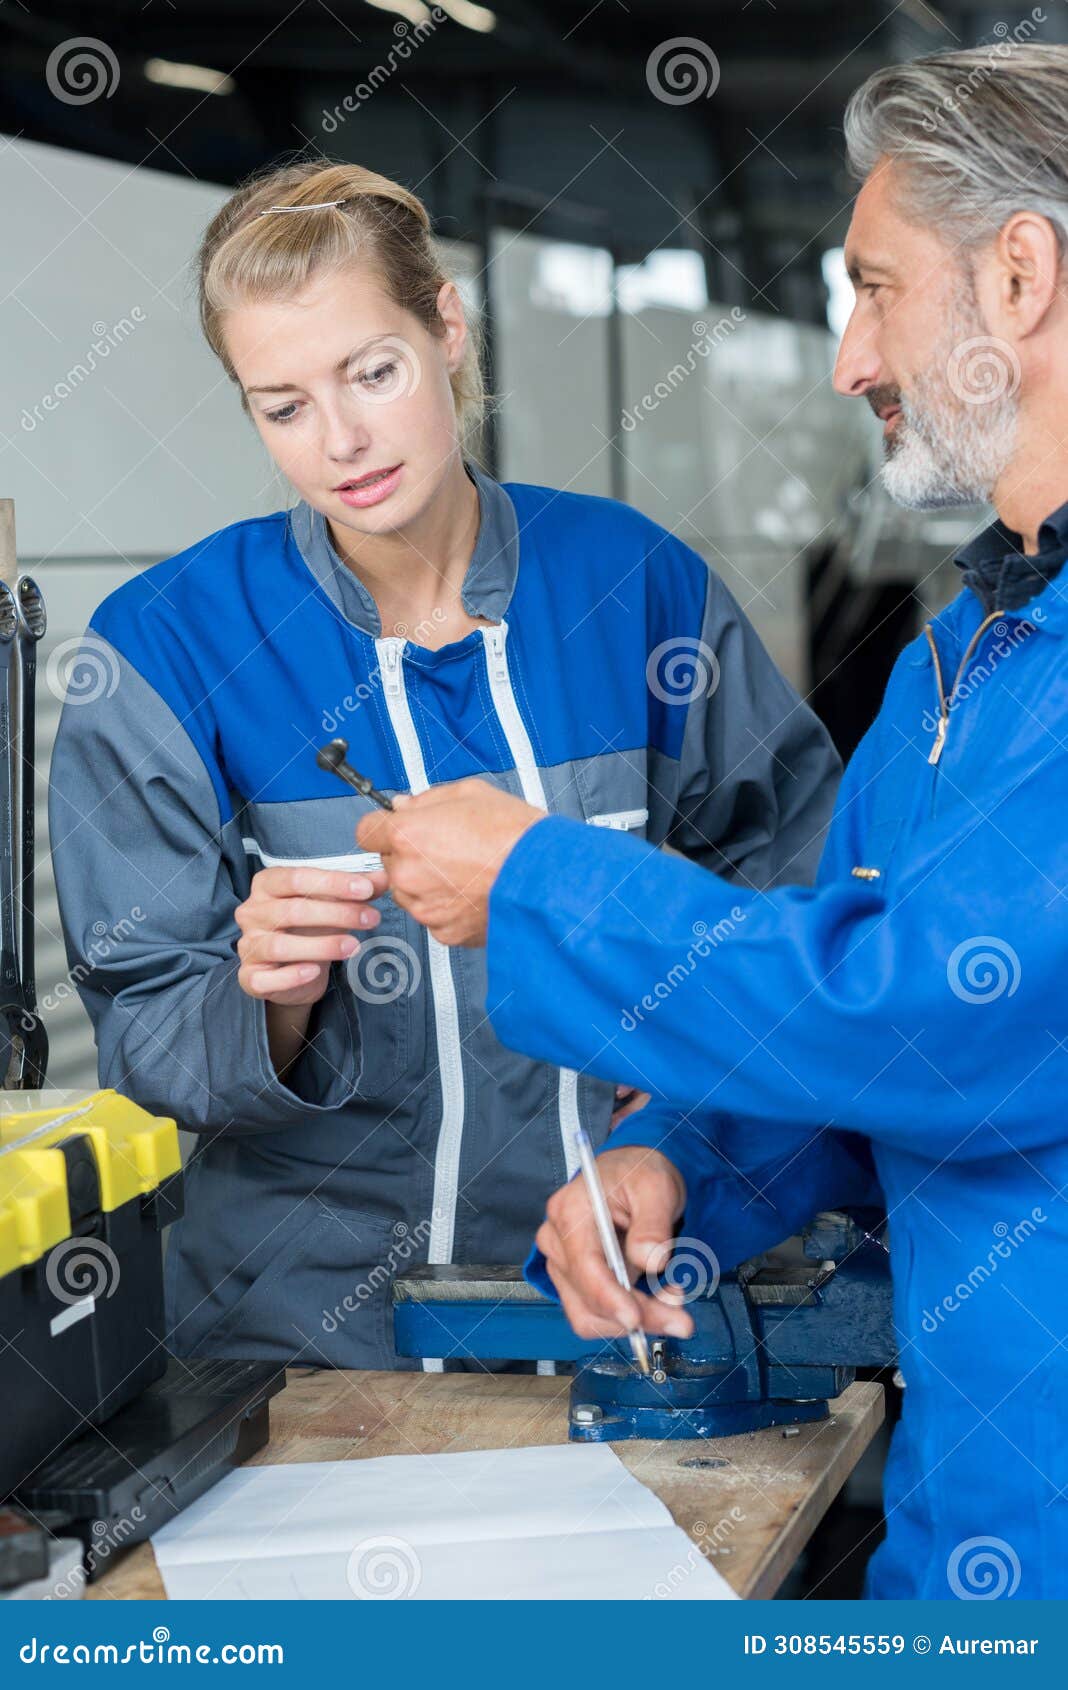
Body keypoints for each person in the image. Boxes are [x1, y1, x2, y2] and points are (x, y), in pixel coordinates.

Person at [355, 47, 1068, 1597]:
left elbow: (946, 1010)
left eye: (874, 287)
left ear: (1020, 275)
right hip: (975, 1524)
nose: (846, 356)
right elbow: (841, 1023)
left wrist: (541, 880)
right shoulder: (960, 667)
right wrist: (682, 1162)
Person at [47, 160, 839, 1372]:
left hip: (621, 1299)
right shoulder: (165, 649)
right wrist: (270, 1004)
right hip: (296, 1341)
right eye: (284, 404)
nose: (343, 440)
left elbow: (806, 901)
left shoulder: (631, 586)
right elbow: (150, 1034)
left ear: (448, 328)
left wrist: (683, 1114)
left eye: (374, 371)